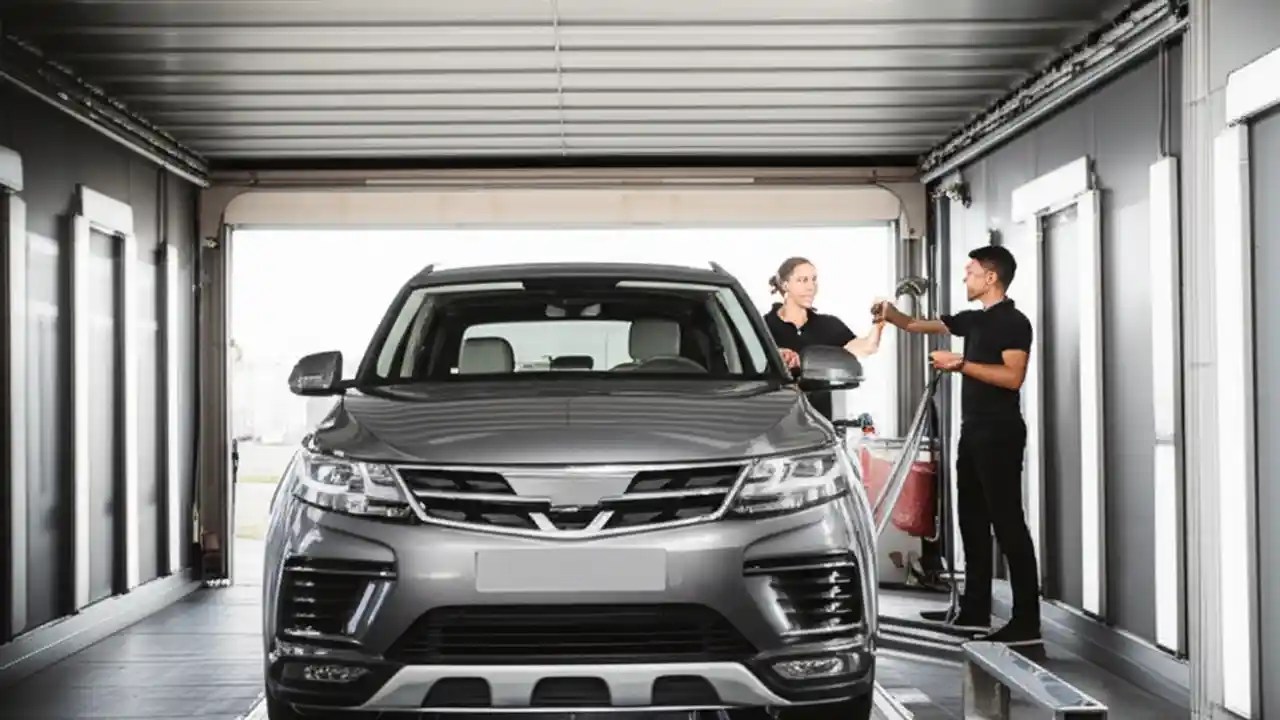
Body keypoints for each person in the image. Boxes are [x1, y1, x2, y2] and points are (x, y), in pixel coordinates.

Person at [873, 244, 1041, 646]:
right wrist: (889, 314)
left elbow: (1012, 377)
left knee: (1007, 523)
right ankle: (975, 610)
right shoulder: (974, 320)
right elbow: (916, 326)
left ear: (990, 278)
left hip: (1000, 433)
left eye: (970, 271)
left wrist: (960, 364)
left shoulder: (1014, 322)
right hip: (973, 432)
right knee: (971, 520)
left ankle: (1026, 622)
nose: (965, 277)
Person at [763, 256, 884, 421]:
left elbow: (867, 347)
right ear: (785, 285)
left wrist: (879, 322)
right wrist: (776, 356)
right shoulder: (763, 327)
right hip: (774, 421)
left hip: (818, 423)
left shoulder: (828, 325)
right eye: (802, 280)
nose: (811, 287)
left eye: (813, 280)